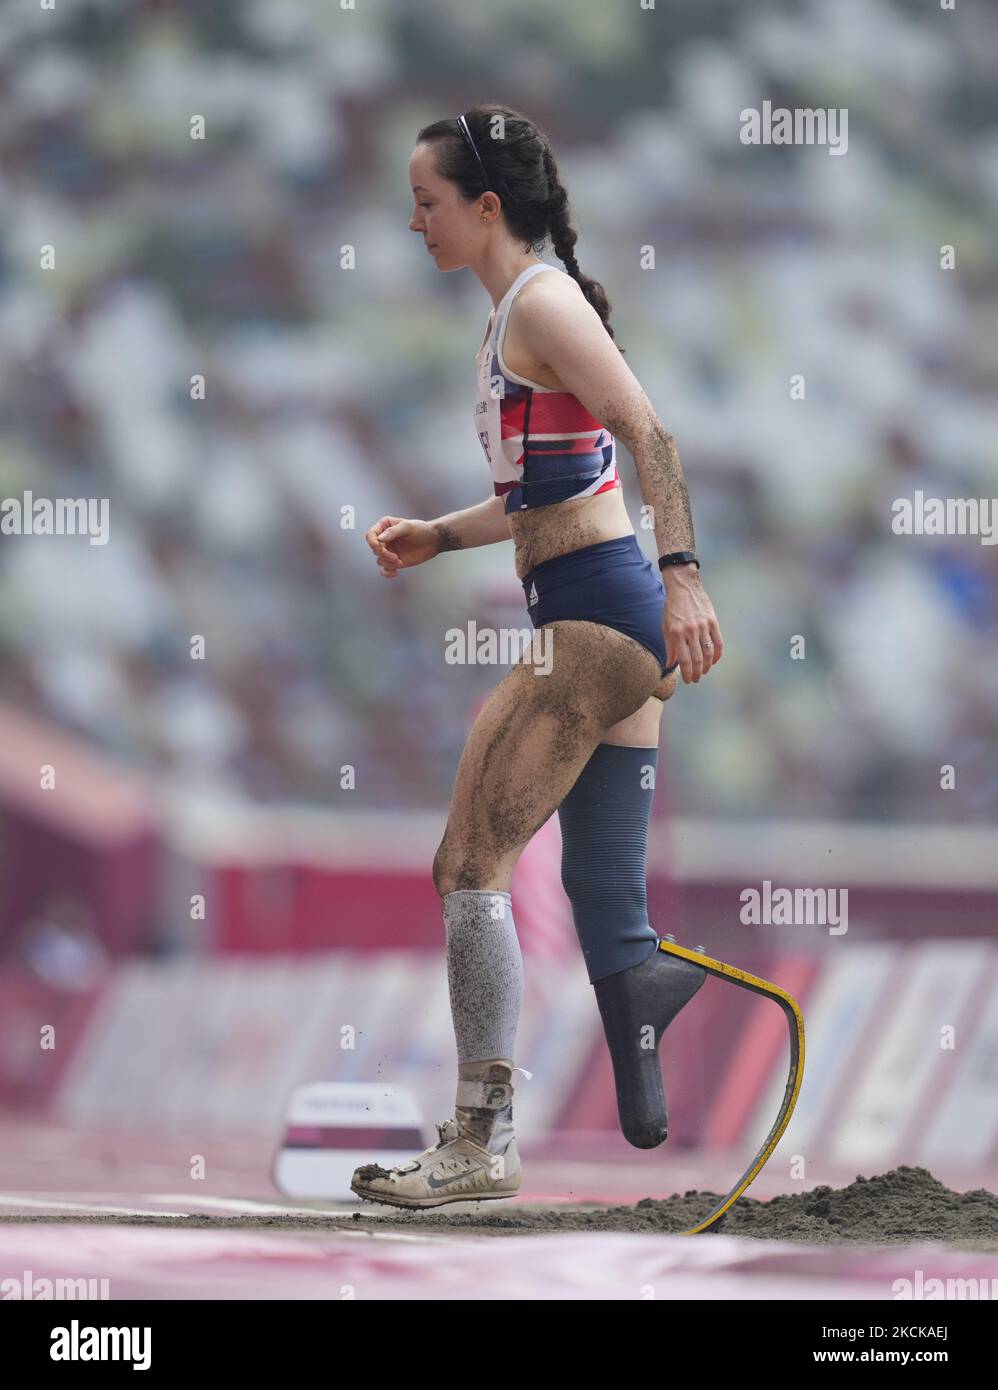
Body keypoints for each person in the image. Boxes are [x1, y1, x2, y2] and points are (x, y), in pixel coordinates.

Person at [352, 105, 723, 1209]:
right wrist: (440, 535)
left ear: (484, 206)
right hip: (607, 618)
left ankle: (478, 1138)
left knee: (467, 865)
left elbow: (649, 434)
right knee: (601, 892)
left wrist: (685, 573)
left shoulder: (542, 301)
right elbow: (554, 486)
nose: (411, 221)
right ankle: (644, 1018)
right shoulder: (515, 315)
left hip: (600, 621)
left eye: (425, 202)